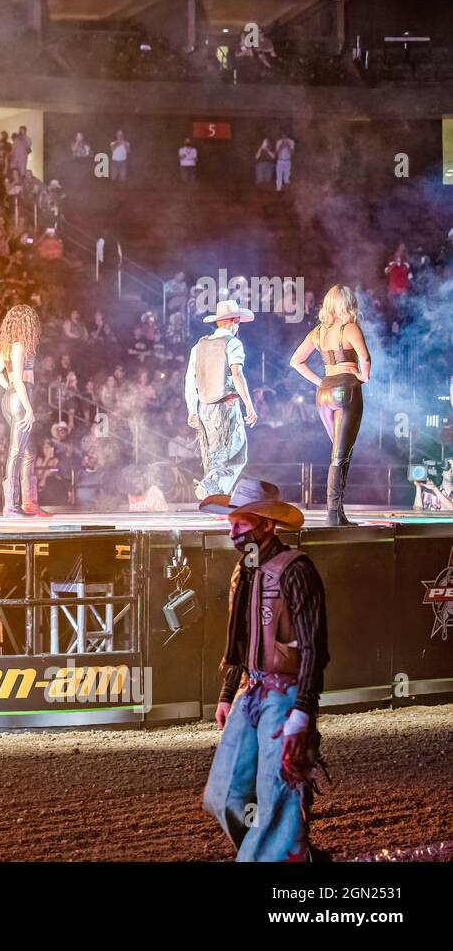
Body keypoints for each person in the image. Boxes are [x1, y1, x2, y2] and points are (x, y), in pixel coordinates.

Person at [200, 478, 330, 862]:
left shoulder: (296, 570)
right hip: (252, 691)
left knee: (279, 791)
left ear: (266, 525)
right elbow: (240, 641)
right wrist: (228, 693)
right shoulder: (246, 570)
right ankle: (287, 851)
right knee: (224, 796)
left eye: (241, 522)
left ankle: (273, 854)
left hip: (286, 696)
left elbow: (313, 648)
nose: (233, 530)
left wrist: (302, 712)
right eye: (232, 522)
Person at [288, 284, 371, 526]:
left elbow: (296, 361)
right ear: (347, 303)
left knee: (338, 452)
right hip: (347, 389)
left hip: (324, 394)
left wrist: (320, 381)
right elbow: (364, 357)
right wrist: (364, 376)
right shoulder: (349, 328)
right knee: (340, 455)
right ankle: (333, 514)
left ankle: (337, 512)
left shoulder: (318, 332)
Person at [185, 300, 257, 500]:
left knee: (216, 452)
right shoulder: (232, 343)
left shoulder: (198, 347)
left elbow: (190, 380)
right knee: (234, 452)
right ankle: (210, 485)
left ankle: (216, 497)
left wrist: (192, 409)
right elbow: (237, 374)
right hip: (226, 405)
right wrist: (249, 405)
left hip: (204, 406)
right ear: (234, 321)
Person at [0, 304, 49, 517]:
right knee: (16, 451)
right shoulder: (18, 346)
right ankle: (11, 506)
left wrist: (9, 388)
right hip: (20, 398)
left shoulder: (9, 346)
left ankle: (29, 502)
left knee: (29, 452)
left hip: (14, 396)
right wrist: (28, 408)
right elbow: (18, 379)